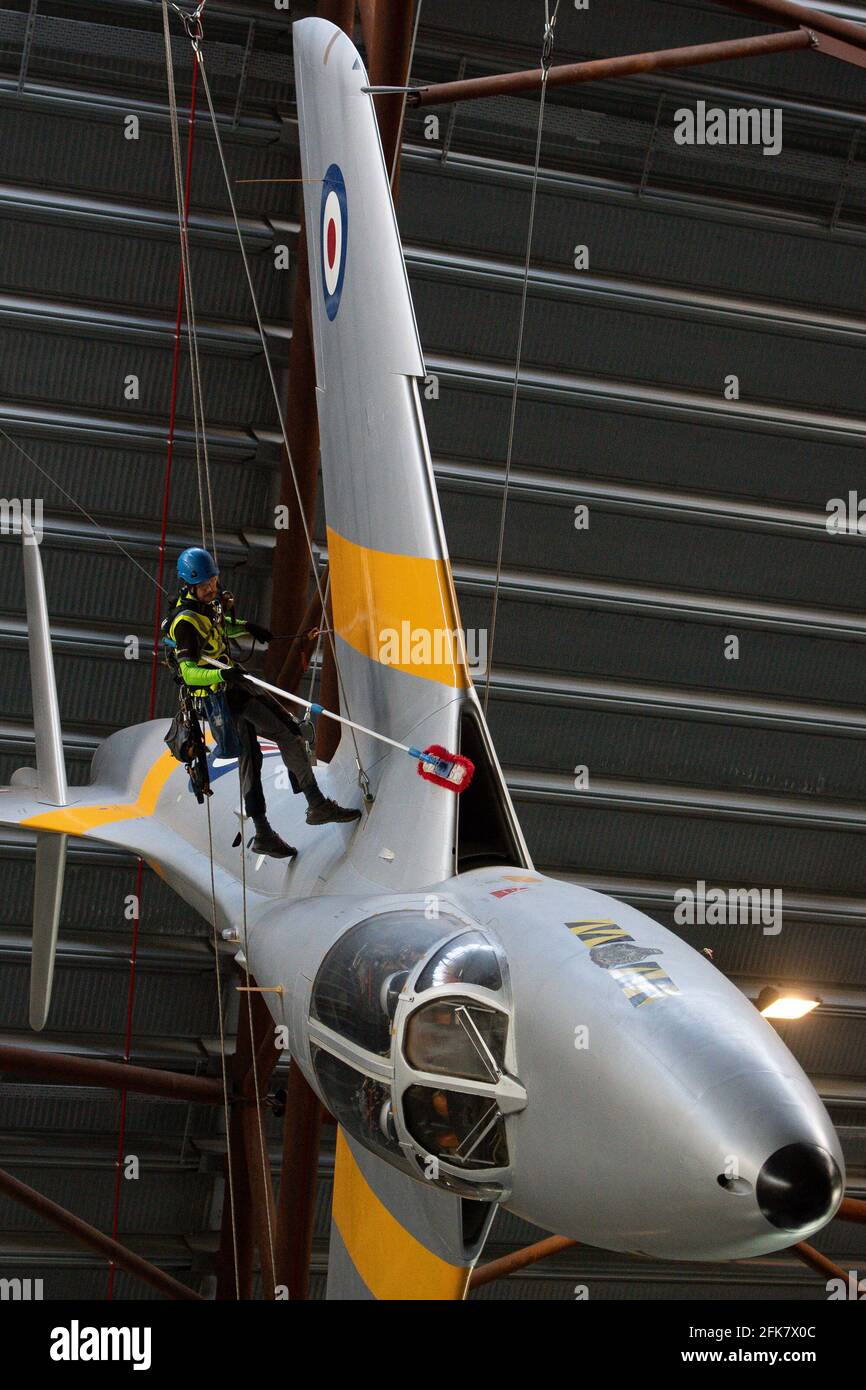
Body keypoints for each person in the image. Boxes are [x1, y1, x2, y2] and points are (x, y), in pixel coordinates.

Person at [166, 546, 360, 858]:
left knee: (250, 759)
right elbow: (189, 672)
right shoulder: (185, 623)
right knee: (287, 730)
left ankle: (263, 832)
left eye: (214, 582)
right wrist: (220, 676)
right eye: (205, 586)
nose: (212, 589)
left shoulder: (205, 607)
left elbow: (218, 626)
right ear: (189, 586)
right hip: (223, 697)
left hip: (230, 687)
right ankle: (315, 803)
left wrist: (245, 627)